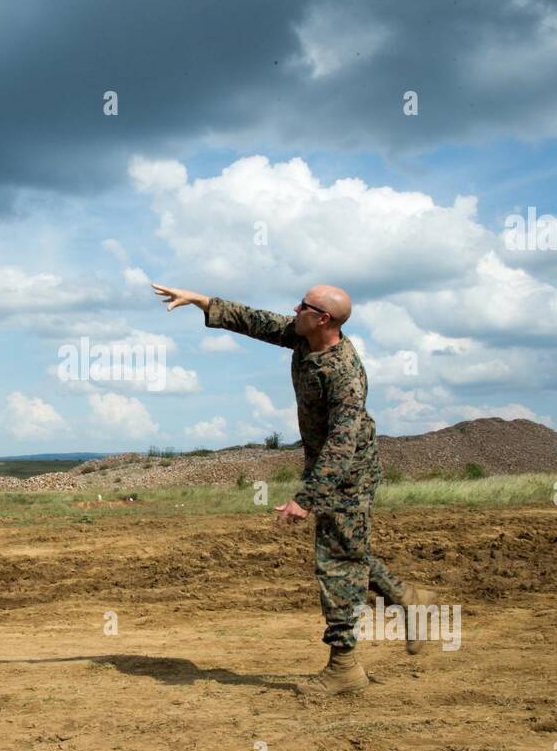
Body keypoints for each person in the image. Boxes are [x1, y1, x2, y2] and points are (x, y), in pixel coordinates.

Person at [152, 282, 438, 695]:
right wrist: (201, 300)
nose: (294, 308)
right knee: (347, 552)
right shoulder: (302, 337)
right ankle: (409, 597)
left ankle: (345, 667)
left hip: (348, 475)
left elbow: (342, 444)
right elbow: (254, 321)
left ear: (323, 319)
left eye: (303, 305)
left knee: (336, 564)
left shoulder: (345, 374)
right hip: (329, 469)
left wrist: (306, 499)